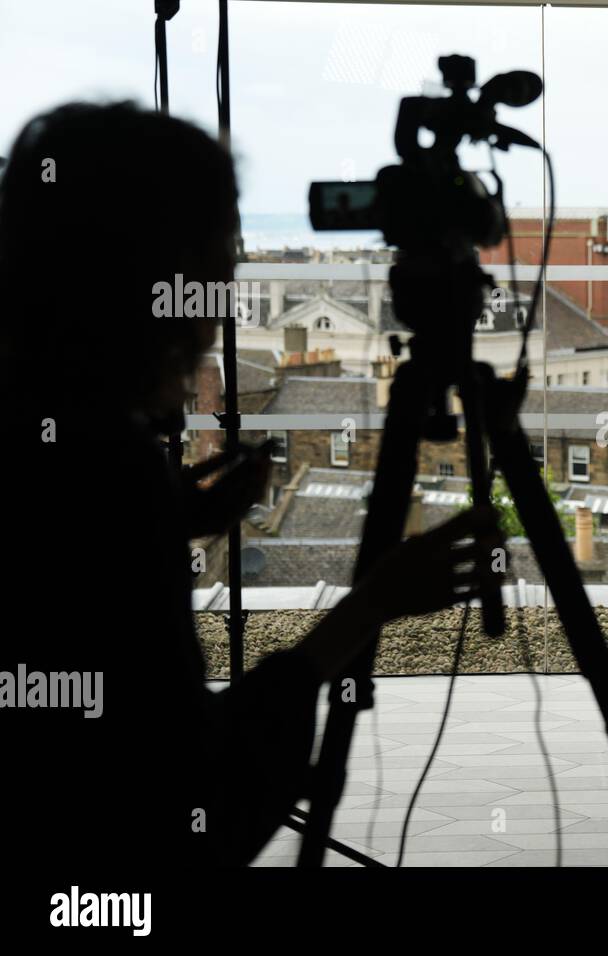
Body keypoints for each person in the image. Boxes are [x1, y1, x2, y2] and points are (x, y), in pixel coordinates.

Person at [0, 101, 503, 867]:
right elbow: (187, 803)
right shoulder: (107, 466)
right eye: (215, 255)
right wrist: (370, 606)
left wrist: (172, 523)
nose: (222, 290)